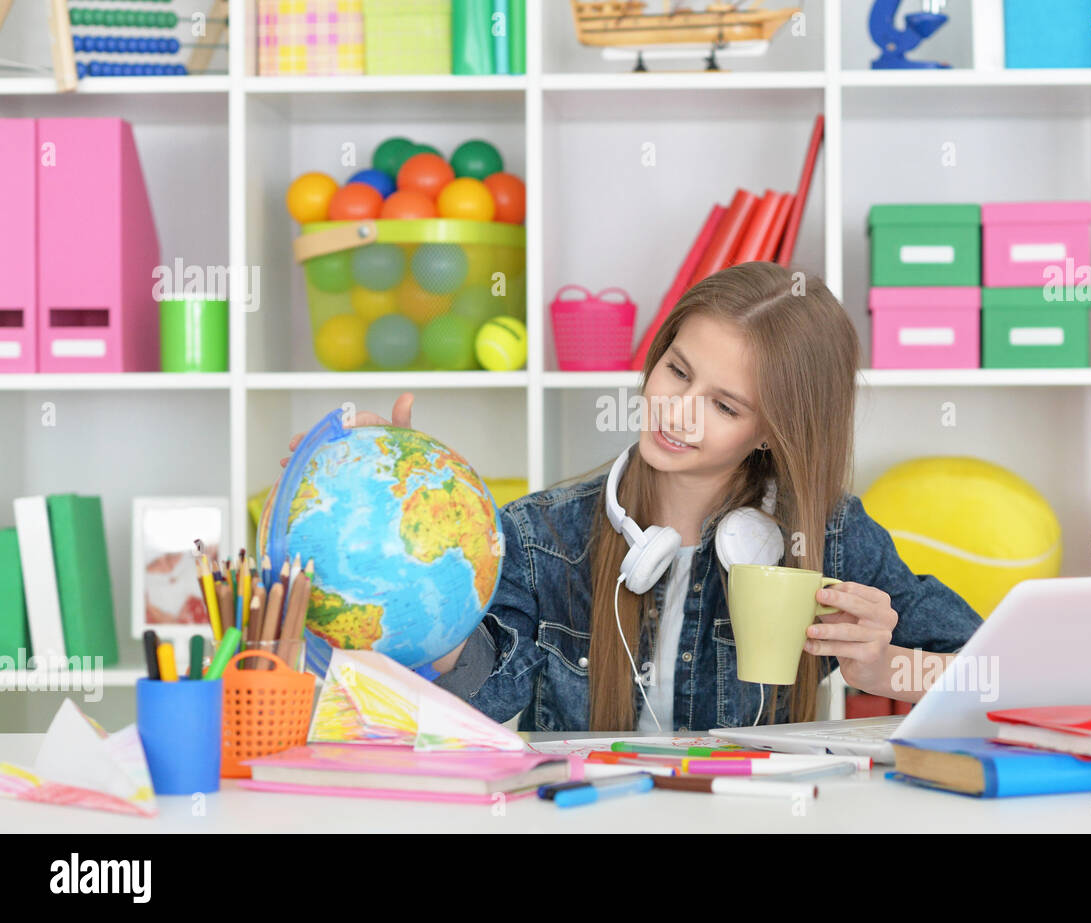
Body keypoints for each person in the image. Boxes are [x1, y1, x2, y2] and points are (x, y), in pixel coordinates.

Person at [285, 261, 983, 732]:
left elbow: (999, 672)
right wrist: (398, 534)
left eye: (724, 405)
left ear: (772, 432)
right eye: (677, 371)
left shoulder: (825, 538)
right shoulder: (540, 537)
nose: (678, 411)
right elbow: (468, 687)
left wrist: (885, 665)